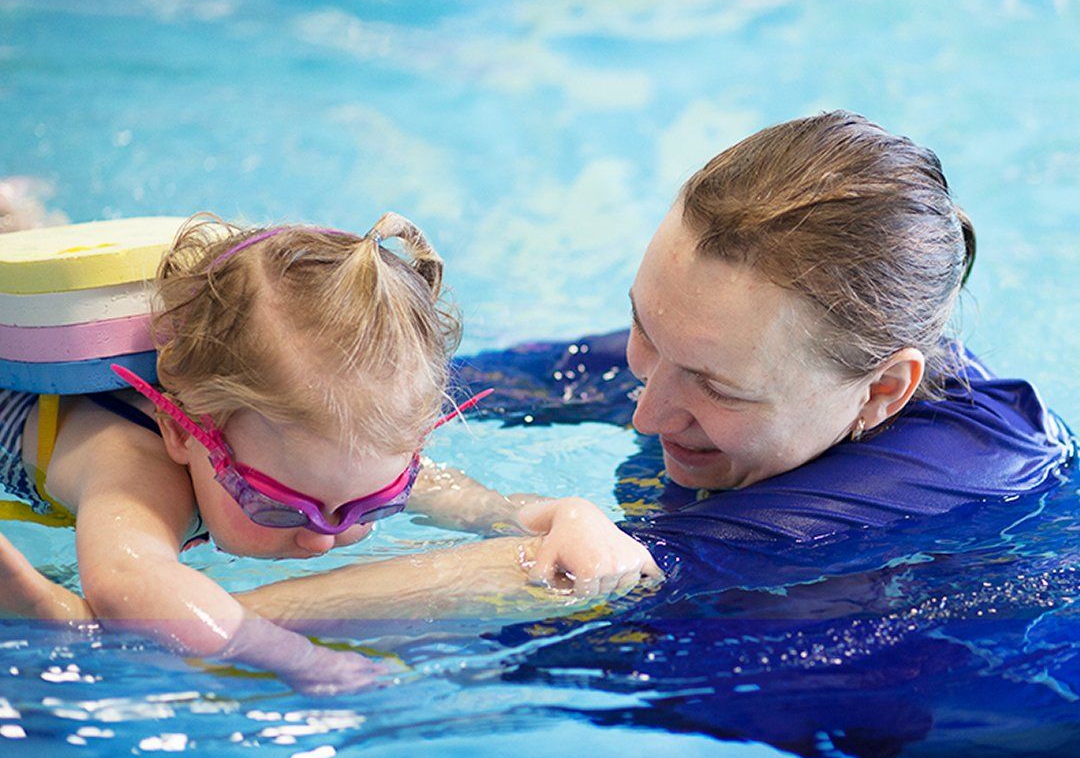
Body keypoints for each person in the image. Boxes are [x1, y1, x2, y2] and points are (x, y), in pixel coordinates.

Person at [3, 111, 1074, 758]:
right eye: (647, 330)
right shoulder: (741, 337)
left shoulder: (932, 481)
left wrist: (173, 624)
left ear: (881, 393)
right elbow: (388, 398)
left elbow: (563, 581)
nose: (648, 405)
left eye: (711, 388)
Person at [0, 211, 659, 694]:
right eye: (279, 504)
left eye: (376, 502)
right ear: (184, 430)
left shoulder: (330, 454)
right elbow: (128, 585)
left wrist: (565, 515)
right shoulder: (135, 465)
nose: (326, 538)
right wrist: (297, 659)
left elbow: (477, 504)